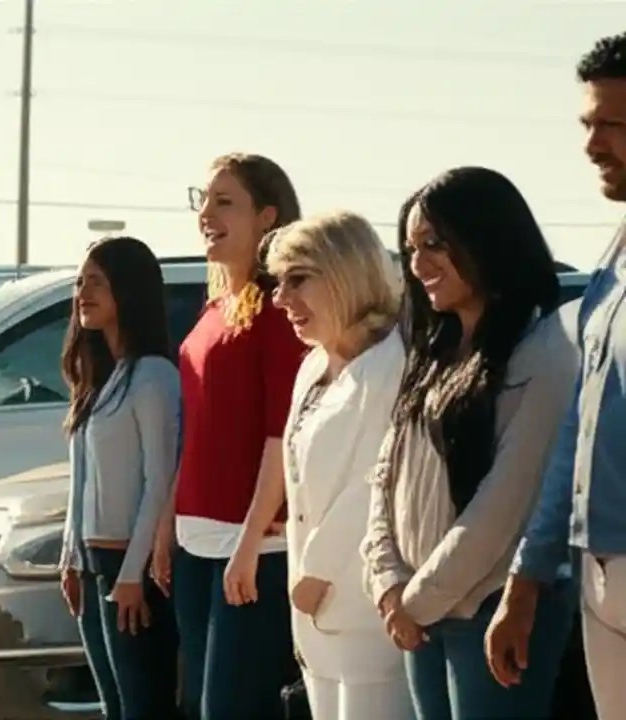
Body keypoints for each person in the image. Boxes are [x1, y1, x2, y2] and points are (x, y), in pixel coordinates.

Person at [360, 166, 580, 719]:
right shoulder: (432, 354)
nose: (418, 264)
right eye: (411, 248)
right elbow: (385, 477)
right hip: (419, 612)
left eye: (435, 244)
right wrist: (390, 583)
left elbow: (506, 502)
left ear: (488, 239)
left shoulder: (544, 352)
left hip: (493, 611)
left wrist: (416, 601)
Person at [487, 31, 626, 718]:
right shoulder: (611, 269)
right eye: (588, 123)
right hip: (600, 580)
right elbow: (579, 428)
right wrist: (527, 575)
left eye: (613, 125)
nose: (593, 144)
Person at [151, 152, 307, 719]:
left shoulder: (279, 309)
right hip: (196, 544)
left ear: (267, 216)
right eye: (204, 200)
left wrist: (246, 547)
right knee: (198, 705)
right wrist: (168, 523)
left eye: (225, 202)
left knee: (232, 708)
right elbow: (195, 429)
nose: (206, 214)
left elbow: (280, 437)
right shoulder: (216, 306)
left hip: (255, 550)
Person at [266, 210, 415, 720]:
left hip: (366, 614)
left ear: (346, 273)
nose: (281, 298)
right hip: (315, 618)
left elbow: (378, 480)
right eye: (279, 283)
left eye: (298, 279)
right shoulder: (312, 365)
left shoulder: (392, 365)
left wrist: (319, 570)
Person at [58, 235, 180, 720]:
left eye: (98, 282)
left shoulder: (153, 376)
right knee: (113, 707)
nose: (83, 292)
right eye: (80, 281)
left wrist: (133, 574)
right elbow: (81, 481)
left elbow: (161, 481)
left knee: (141, 708)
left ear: (127, 292)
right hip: (92, 566)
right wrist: (70, 558)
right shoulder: (100, 380)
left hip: (131, 568)